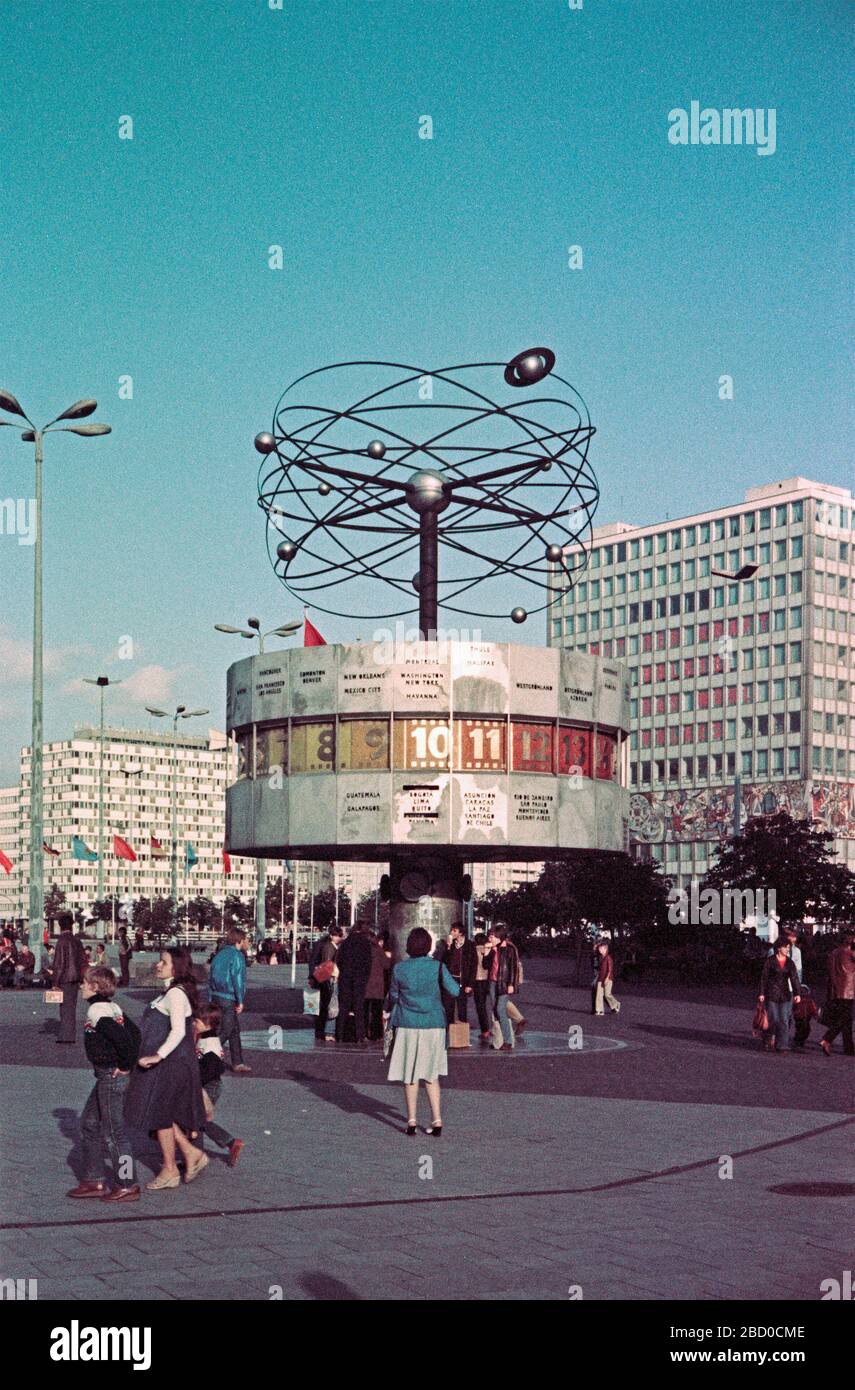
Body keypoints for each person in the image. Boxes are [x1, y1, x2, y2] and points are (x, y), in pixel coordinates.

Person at [124, 946, 208, 1189]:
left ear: (176, 967)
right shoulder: (172, 992)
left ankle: (170, 1169)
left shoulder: (175, 994)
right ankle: (190, 1154)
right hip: (172, 1062)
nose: (157, 965)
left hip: (172, 1063)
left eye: (163, 962)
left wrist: (157, 1057)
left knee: (159, 1113)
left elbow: (179, 1031)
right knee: (163, 1114)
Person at [67, 965, 141, 1202]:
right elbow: (136, 1033)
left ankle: (128, 1183)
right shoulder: (113, 1007)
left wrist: (127, 1064)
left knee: (114, 1134)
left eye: (84, 983)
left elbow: (124, 1040)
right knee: (89, 1123)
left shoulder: (98, 1010)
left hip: (111, 1075)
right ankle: (94, 1178)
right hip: (105, 1076)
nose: (80, 986)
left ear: (95, 986)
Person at [386, 926, 460, 1135]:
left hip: (408, 1023)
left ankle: (411, 1121)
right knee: (431, 1074)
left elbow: (393, 996)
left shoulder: (400, 969)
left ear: (408, 946)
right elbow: (455, 990)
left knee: (410, 1074)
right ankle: (437, 1120)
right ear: (428, 946)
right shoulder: (437, 967)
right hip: (433, 1023)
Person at [192, 1002, 244, 1168]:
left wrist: (198, 1083)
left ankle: (229, 1142)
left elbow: (215, 1067)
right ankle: (228, 1143)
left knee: (197, 1119)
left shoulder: (211, 1043)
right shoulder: (205, 1038)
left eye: (197, 1021)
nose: (194, 1023)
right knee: (196, 1119)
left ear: (207, 1025)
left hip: (209, 1086)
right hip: (207, 1084)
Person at [209, 927, 251, 1074]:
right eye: (246, 939)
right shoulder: (237, 956)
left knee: (234, 1030)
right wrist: (240, 1000)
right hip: (228, 997)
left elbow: (211, 976)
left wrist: (210, 997)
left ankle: (237, 1062)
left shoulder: (219, 955)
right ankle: (202, 1054)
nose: (248, 942)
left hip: (216, 996)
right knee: (226, 1031)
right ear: (239, 941)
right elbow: (238, 979)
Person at [758, 938, 801, 1053]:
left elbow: (794, 978)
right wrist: (761, 993)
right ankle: (767, 1039)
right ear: (778, 948)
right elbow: (764, 977)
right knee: (773, 1019)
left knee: (784, 1019)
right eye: (785, 947)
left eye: (788, 947)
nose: (787, 949)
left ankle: (782, 1045)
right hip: (771, 993)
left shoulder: (789, 962)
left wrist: (797, 993)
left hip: (785, 994)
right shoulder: (770, 961)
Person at [52, 913, 89, 1043]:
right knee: (71, 1007)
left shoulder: (61, 941)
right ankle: (68, 1034)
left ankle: (66, 1037)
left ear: (60, 926)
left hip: (65, 978)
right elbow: (83, 960)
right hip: (75, 978)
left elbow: (59, 964)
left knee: (65, 1008)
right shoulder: (76, 941)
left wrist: (55, 982)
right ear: (72, 926)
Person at [483, 925, 521, 1050]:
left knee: (500, 1010)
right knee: (496, 1011)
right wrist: (487, 951)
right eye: (489, 936)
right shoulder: (493, 948)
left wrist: (511, 984)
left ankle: (508, 1041)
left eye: (492, 936)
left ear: (499, 937)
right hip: (493, 982)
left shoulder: (510, 948)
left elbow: (514, 968)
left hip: (504, 983)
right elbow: (485, 965)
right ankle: (498, 1040)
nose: (490, 938)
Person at [335, 923, 373, 1046]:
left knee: (343, 1007)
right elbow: (368, 963)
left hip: (345, 979)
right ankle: (359, 1036)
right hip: (359, 979)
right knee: (359, 1008)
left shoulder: (345, 943)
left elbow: (339, 960)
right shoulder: (366, 943)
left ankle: (339, 1035)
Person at [820, 933, 855, 1058]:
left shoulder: (834, 953)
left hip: (836, 990)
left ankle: (849, 1047)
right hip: (848, 990)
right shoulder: (850, 953)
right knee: (844, 1019)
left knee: (846, 1020)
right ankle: (827, 1039)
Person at [436, 922, 478, 1025]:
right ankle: (448, 1032)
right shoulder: (450, 945)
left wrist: (470, 984)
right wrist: (449, 947)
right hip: (450, 980)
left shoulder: (470, 945)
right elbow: (444, 961)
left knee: (462, 1009)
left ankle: (461, 1037)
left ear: (461, 933)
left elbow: (474, 966)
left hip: (463, 981)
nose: (451, 932)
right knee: (448, 1008)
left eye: (454, 930)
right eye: (452, 930)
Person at [308, 924, 343, 1043]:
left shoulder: (325, 945)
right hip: (327, 979)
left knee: (322, 1005)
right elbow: (327, 964)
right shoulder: (329, 947)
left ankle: (320, 1030)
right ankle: (324, 1031)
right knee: (327, 1004)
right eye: (338, 936)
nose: (340, 938)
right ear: (332, 935)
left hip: (321, 978)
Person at [364, 930, 389, 1042]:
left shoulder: (362, 950)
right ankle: (376, 1034)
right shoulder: (378, 950)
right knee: (376, 1011)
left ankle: (363, 1032)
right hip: (377, 985)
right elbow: (386, 965)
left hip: (364, 985)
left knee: (363, 1010)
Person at [472, 932, 492, 1043]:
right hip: (487, 980)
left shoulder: (474, 950)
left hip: (477, 980)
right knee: (485, 1005)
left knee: (480, 1006)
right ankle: (490, 1028)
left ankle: (485, 1030)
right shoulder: (488, 950)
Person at [592, 941, 621, 1016]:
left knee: (607, 994)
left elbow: (610, 969)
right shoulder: (600, 957)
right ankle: (599, 1010)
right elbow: (594, 953)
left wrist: (607, 978)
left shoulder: (608, 958)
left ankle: (615, 1004)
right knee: (599, 994)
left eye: (601, 949)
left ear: (605, 949)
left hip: (608, 978)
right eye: (599, 949)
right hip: (600, 978)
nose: (600, 950)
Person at [793, 985, 818, 1050]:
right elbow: (793, 1008)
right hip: (799, 1018)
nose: (803, 992)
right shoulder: (797, 1000)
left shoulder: (809, 1001)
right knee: (800, 1030)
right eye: (801, 991)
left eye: (804, 991)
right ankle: (798, 1042)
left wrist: (815, 1015)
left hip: (807, 1018)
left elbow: (813, 1009)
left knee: (806, 1030)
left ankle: (800, 1042)